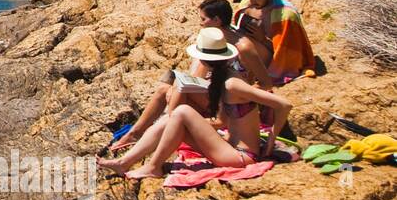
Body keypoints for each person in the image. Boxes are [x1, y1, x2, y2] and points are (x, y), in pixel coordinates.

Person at [99, 28, 292, 179]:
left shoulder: (232, 83)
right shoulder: (222, 77)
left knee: (181, 112)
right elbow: (224, 121)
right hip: (228, 147)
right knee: (172, 118)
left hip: (241, 156)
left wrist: (271, 142)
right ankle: (125, 162)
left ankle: (153, 167)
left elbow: (284, 104)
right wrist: (193, 123)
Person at [111, 0, 273, 150]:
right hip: (210, 92)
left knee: (166, 91)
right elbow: (198, 78)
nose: (200, 23)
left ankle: (144, 133)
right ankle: (137, 133)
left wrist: (242, 98)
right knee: (168, 86)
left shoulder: (242, 46)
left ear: (217, 20)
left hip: (225, 102)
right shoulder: (213, 40)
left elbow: (266, 83)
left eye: (203, 19)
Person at [234, 0, 315, 83]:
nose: (252, 1)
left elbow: (286, 53)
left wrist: (263, 39)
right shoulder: (246, 4)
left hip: (273, 58)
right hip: (251, 51)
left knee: (245, 46)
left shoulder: (285, 15)